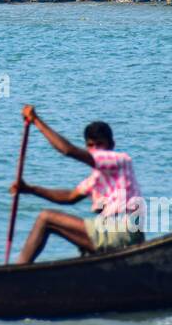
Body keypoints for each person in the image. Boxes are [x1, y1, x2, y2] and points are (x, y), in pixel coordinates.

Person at [9, 106, 145, 263]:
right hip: (112, 233)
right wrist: (30, 189)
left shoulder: (120, 160)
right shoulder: (97, 177)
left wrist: (36, 121)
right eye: (90, 145)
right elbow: (70, 197)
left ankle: (17, 269)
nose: (95, 150)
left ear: (111, 145)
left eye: (99, 144)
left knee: (45, 218)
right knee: (52, 223)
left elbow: (68, 150)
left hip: (124, 232)